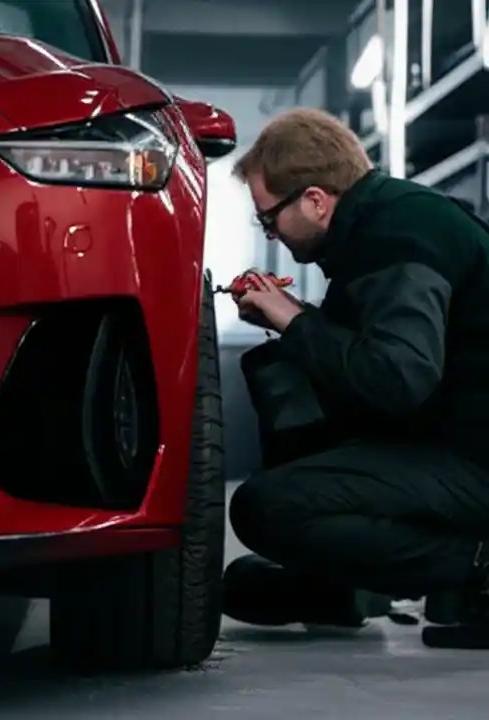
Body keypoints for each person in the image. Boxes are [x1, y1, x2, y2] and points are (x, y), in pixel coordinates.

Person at [222, 108, 489, 630]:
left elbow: (397, 379)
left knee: (264, 509)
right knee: (295, 385)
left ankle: (478, 567)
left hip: (475, 459)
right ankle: (335, 588)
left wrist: (295, 320)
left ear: (316, 201)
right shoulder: (386, 222)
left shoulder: (399, 237)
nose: (270, 235)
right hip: (456, 442)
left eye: (268, 218)